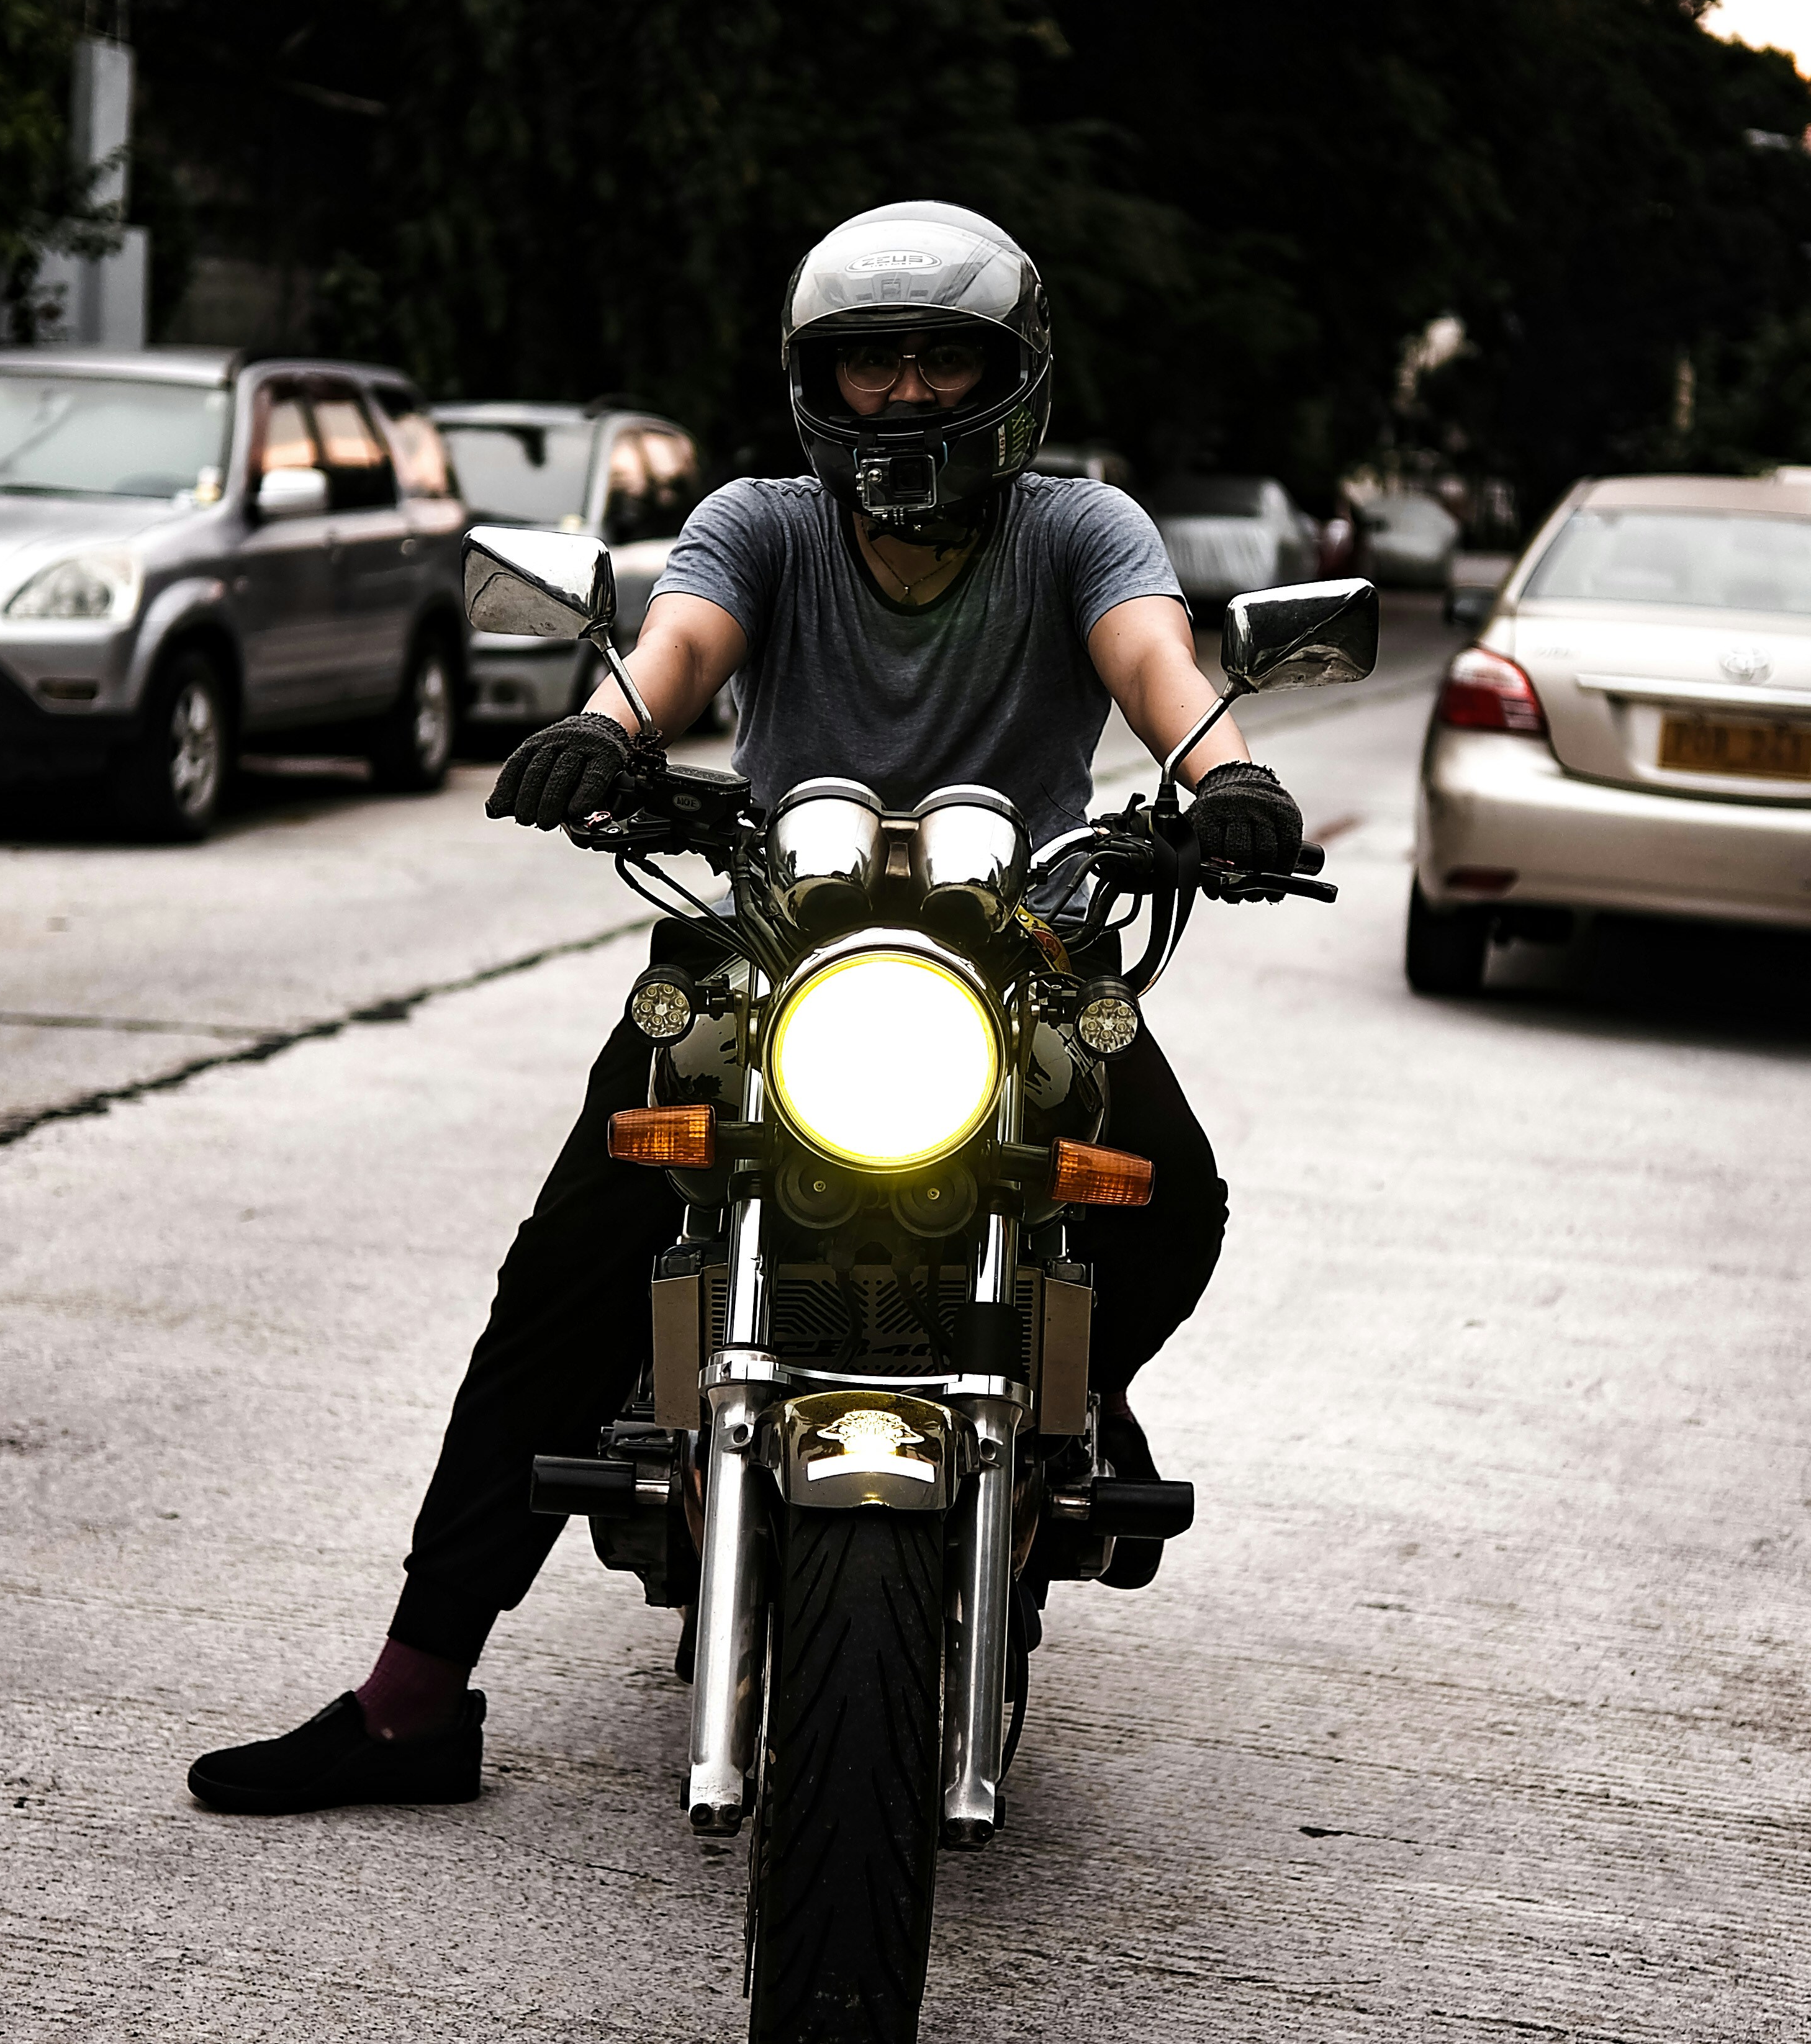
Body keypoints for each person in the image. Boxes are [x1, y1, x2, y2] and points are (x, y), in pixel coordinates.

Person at [187, 202, 1301, 1815]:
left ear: (1013, 377)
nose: (907, 394)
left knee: (1173, 1203)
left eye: (941, 358)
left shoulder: (1081, 532)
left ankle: (1067, 1396)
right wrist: (608, 730)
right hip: (770, 943)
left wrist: (1230, 778)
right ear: (816, 385)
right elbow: (679, 644)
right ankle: (411, 1702)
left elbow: (1155, 663)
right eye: (870, 362)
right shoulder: (761, 523)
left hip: (1030, 947)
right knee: (567, 1268)